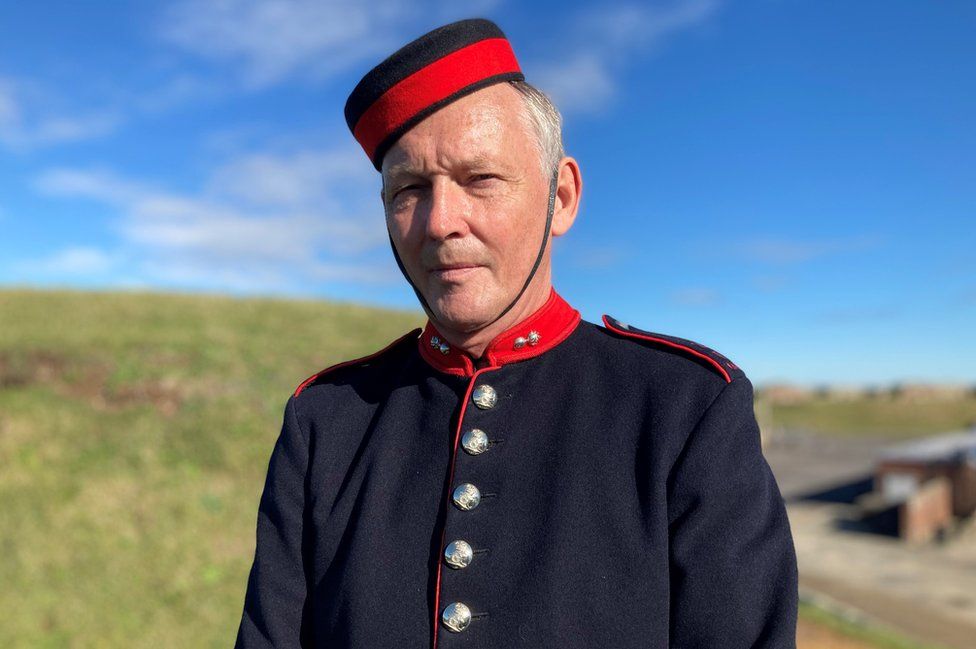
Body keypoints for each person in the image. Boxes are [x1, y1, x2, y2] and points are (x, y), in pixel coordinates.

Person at [235, 17, 798, 649]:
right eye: (409, 190)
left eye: (481, 180)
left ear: (561, 197)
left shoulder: (683, 407)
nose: (441, 222)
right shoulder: (326, 421)